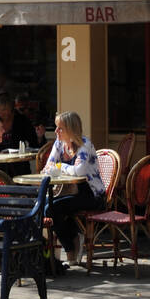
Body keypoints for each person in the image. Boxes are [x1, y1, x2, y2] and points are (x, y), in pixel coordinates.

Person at [45, 111, 106, 267]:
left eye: (60, 128)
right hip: (69, 191)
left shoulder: (85, 145)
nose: (56, 132)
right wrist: (59, 167)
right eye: (56, 127)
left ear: (71, 129)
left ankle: (71, 247)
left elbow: (79, 171)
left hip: (91, 195)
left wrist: (60, 166)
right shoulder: (59, 144)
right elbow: (48, 167)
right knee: (45, 207)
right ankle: (72, 240)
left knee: (52, 208)